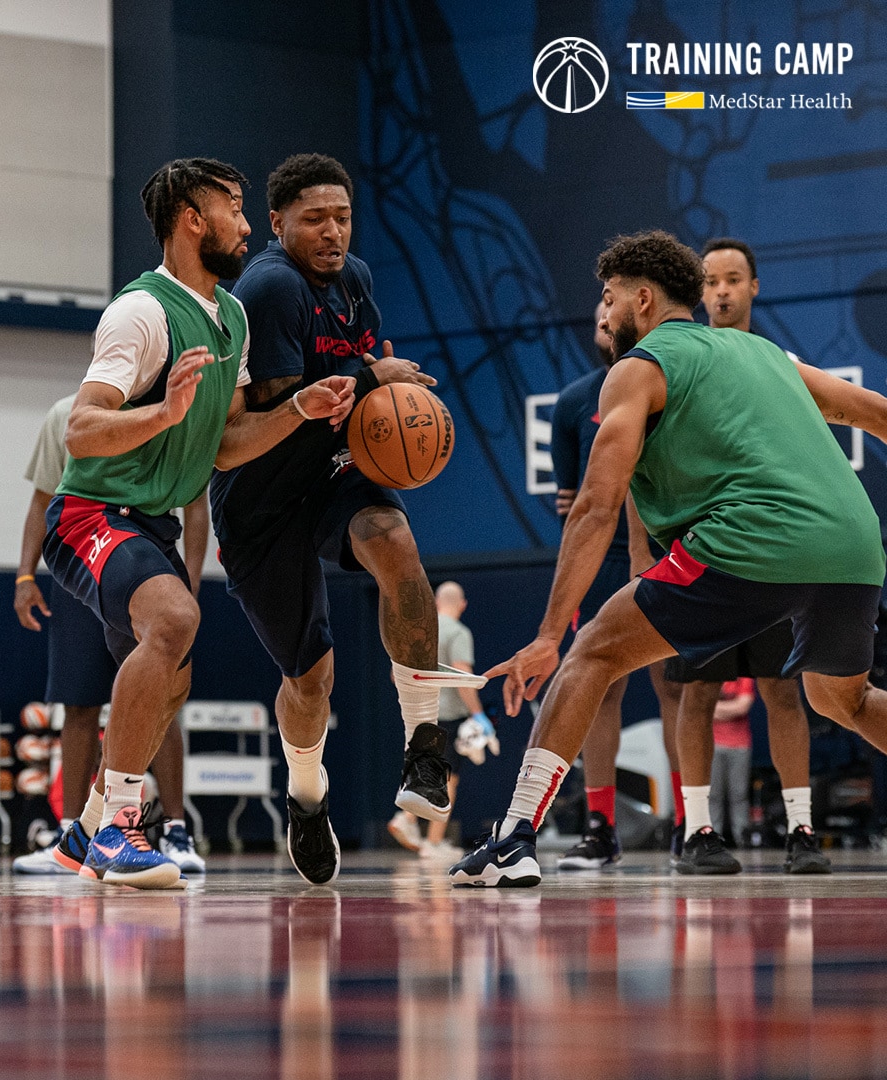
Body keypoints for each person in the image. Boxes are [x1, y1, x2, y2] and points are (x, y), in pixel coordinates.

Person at [450, 228, 887, 888]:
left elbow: (596, 505)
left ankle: (513, 836)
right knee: (841, 701)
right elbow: (875, 412)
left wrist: (546, 635)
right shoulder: (765, 355)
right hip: (853, 545)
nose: (602, 313)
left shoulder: (637, 369)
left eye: (608, 298)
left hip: (754, 537)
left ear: (644, 300)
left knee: (593, 649)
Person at [41, 157, 354, 891]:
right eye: (236, 209)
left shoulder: (232, 316)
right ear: (192, 219)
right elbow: (82, 431)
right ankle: (121, 829)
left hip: (148, 526)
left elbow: (225, 445)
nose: (248, 227)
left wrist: (296, 412)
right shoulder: (140, 312)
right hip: (91, 514)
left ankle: (83, 831)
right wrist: (160, 413)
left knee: (166, 681)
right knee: (176, 623)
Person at [210, 153, 484, 886]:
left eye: (342, 217)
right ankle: (307, 797)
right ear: (277, 223)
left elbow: (367, 377)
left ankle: (425, 742)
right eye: (314, 219)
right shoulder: (269, 286)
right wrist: (371, 380)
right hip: (263, 495)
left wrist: (387, 398)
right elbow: (278, 403)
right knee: (312, 681)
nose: (332, 232)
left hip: (333, 468)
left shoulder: (355, 279)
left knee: (397, 546)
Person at [663, 238, 830, 875]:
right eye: (712, 281)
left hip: (772, 552)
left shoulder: (781, 362)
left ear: (754, 287)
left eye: (735, 279)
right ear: (698, 292)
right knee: (697, 695)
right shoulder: (681, 362)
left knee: (783, 693)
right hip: (702, 551)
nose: (724, 290)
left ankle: (802, 831)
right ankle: (697, 831)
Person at [11, 394, 207, 875]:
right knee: (77, 703)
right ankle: (73, 828)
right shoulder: (66, 415)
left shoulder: (177, 410)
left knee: (160, 691)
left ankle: (175, 829)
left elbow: (197, 504)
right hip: (83, 558)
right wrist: (23, 576)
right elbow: (43, 500)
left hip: (144, 557)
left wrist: (191, 585)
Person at [550, 307, 683, 871]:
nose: (607, 324)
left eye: (615, 315)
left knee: (672, 684)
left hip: (666, 549)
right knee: (599, 687)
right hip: (601, 563)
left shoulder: (672, 382)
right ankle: (601, 825)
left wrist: (643, 549)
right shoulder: (573, 402)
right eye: (600, 318)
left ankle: (688, 820)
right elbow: (571, 501)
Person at [387, 581, 494, 861]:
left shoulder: (420, 632)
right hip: (449, 716)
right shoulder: (459, 632)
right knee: (449, 780)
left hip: (421, 714)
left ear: (435, 603)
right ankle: (430, 840)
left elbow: (395, 675)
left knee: (426, 769)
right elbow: (462, 676)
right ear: (463, 605)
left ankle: (409, 820)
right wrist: (478, 714)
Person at [710, 677, 755, 845]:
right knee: (713, 794)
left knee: (739, 794)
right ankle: (713, 836)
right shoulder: (711, 673)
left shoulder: (743, 677)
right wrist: (731, 709)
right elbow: (699, 706)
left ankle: (742, 837)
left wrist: (713, 709)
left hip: (740, 745)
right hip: (713, 743)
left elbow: (743, 706)